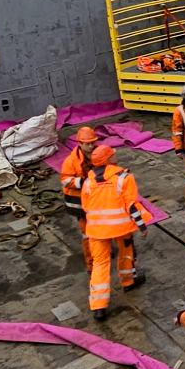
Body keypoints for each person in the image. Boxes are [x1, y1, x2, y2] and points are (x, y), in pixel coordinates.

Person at [80, 144, 149, 320]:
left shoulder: (88, 183)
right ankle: (128, 282)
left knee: (100, 265)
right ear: (109, 160)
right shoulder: (124, 178)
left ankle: (98, 307)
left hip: (96, 230)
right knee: (126, 253)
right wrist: (142, 226)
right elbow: (132, 205)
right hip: (121, 227)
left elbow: (86, 207)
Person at [58, 125, 100, 274]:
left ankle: (101, 253)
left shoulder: (99, 154)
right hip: (79, 202)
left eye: (92, 143)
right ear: (79, 143)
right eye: (87, 143)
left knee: (101, 228)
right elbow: (65, 181)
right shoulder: (71, 161)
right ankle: (91, 264)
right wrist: (84, 182)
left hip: (95, 199)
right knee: (88, 234)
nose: (90, 146)